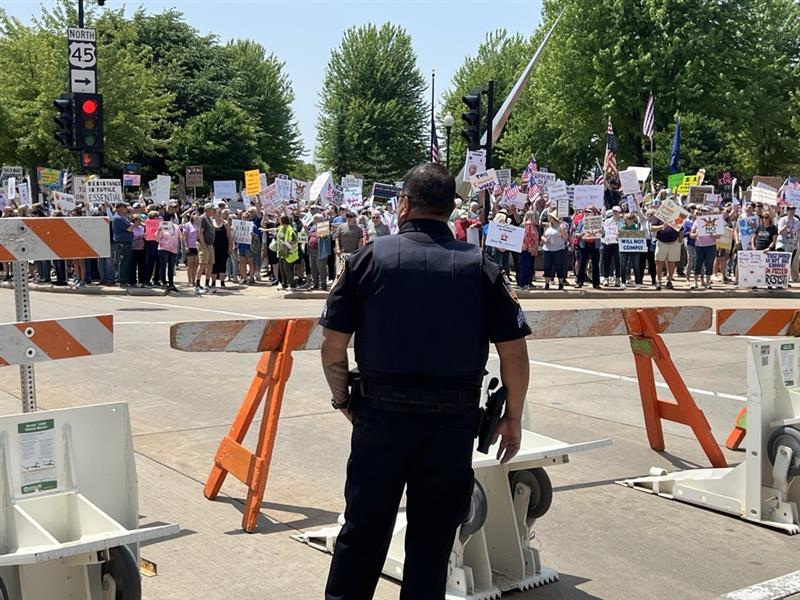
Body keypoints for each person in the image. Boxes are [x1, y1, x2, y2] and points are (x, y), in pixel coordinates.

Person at [320, 163, 531, 600]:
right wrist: (512, 418)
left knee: (363, 532)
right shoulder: (481, 267)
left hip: (379, 417)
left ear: (403, 205)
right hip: (451, 424)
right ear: (452, 209)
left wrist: (343, 401)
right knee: (432, 543)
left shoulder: (366, 259)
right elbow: (513, 352)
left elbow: (332, 347)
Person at [651, 212, 683, 291]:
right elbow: (652, 228)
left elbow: (681, 229)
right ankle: (658, 281)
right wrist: (662, 226)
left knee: (672, 262)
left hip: (674, 242)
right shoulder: (659, 216)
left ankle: (669, 281)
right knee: (659, 262)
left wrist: (680, 241)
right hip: (661, 242)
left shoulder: (678, 216)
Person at [689, 207, 718, 290]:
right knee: (698, 264)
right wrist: (696, 234)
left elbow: (718, 236)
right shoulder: (697, 221)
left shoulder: (715, 221)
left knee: (709, 264)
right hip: (699, 246)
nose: (703, 212)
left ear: (709, 212)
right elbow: (691, 235)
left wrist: (712, 234)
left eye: (705, 211)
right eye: (702, 210)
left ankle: (708, 282)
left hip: (711, 246)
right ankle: (695, 282)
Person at [574, 206, 601, 289]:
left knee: (595, 264)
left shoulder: (598, 222)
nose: (587, 213)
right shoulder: (582, 221)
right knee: (582, 263)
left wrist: (601, 231)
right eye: (586, 211)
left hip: (594, 245)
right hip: (584, 245)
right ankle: (579, 282)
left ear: (594, 213)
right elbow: (576, 233)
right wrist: (580, 235)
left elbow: (603, 234)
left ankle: (596, 283)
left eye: (589, 211)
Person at [541, 211, 569, 290]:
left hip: (558, 249)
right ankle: (547, 283)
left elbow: (566, 238)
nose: (549, 218)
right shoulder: (548, 226)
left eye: (550, 217)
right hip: (547, 249)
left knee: (559, 267)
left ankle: (560, 283)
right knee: (547, 266)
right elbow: (542, 236)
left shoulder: (561, 226)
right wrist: (544, 239)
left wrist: (563, 231)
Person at [333, 211, 363, 275]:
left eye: (351, 217)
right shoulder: (341, 227)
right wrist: (338, 249)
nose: (349, 218)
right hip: (342, 253)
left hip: (353, 253)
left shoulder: (358, 229)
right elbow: (337, 238)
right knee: (340, 272)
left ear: (354, 218)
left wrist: (359, 251)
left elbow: (360, 240)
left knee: (352, 271)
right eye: (347, 216)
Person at [111, 202, 134, 287]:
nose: (126, 209)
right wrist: (134, 224)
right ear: (119, 208)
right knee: (123, 262)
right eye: (124, 207)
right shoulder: (118, 218)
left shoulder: (123, 217)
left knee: (126, 262)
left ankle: (125, 280)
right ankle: (122, 281)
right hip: (122, 244)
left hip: (126, 243)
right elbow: (129, 228)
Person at [618, 212, 643, 289]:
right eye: (629, 218)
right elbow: (618, 237)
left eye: (632, 218)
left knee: (636, 265)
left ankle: (638, 283)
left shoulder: (636, 227)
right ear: (625, 219)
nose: (630, 220)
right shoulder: (622, 227)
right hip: (624, 249)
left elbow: (640, 238)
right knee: (623, 265)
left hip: (634, 249)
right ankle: (623, 282)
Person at [196, 203, 216, 293]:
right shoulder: (202, 218)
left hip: (210, 244)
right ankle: (197, 284)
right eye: (212, 209)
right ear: (207, 209)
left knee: (210, 264)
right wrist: (203, 245)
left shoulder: (209, 219)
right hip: (204, 244)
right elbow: (200, 232)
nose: (214, 211)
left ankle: (207, 284)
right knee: (202, 264)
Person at [156, 218, 181, 292]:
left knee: (171, 267)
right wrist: (159, 231)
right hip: (164, 248)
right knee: (163, 266)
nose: (171, 220)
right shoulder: (164, 225)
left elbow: (179, 237)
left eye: (173, 218)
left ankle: (171, 283)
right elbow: (157, 239)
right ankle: (163, 282)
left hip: (173, 249)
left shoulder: (176, 227)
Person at [276, 215, 300, 290]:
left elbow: (295, 240)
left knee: (288, 270)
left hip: (289, 253)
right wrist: (264, 230)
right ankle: (284, 284)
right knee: (282, 269)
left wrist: (287, 244)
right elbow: (274, 229)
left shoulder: (290, 229)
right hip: (281, 252)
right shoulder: (281, 228)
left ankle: (292, 285)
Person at [517, 210, 538, 289]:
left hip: (523, 248)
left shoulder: (522, 224)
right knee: (527, 266)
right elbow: (530, 236)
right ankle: (525, 283)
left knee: (525, 266)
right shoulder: (529, 224)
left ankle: (526, 282)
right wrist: (533, 245)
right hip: (528, 248)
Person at [211, 209, 232, 288]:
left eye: (221, 213)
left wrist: (230, 247)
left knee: (223, 264)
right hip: (213, 247)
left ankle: (222, 283)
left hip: (223, 247)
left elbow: (229, 236)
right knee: (214, 265)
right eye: (218, 213)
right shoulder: (211, 222)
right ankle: (213, 282)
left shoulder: (226, 224)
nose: (220, 214)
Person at [181, 212, 199, 288]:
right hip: (190, 246)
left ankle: (194, 280)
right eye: (194, 214)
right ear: (191, 216)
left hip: (197, 247)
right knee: (190, 265)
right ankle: (189, 281)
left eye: (197, 214)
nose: (196, 216)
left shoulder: (198, 225)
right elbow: (184, 236)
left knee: (196, 265)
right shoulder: (187, 225)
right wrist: (186, 246)